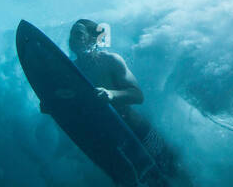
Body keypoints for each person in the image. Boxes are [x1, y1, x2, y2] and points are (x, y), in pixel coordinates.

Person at [67, 19, 177, 176]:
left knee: (174, 171)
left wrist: (111, 94)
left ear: (93, 38)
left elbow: (137, 95)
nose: (72, 38)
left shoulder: (110, 61)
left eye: (78, 34)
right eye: (71, 34)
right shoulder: (71, 71)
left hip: (136, 129)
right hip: (107, 137)